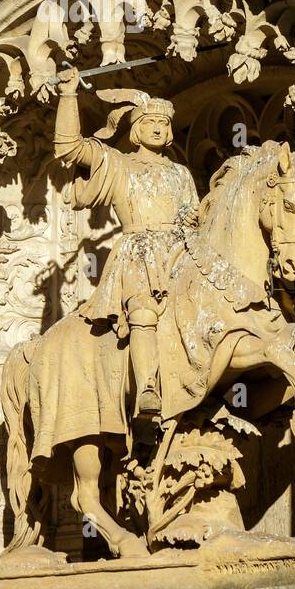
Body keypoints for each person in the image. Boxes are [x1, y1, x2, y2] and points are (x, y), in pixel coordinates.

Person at [54, 67, 198, 426]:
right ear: (135, 129)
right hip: (140, 253)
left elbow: (193, 217)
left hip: (181, 252)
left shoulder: (180, 173)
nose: (158, 127)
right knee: (144, 312)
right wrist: (70, 95)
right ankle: (148, 387)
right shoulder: (119, 165)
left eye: (163, 123)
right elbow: (69, 149)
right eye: (149, 121)